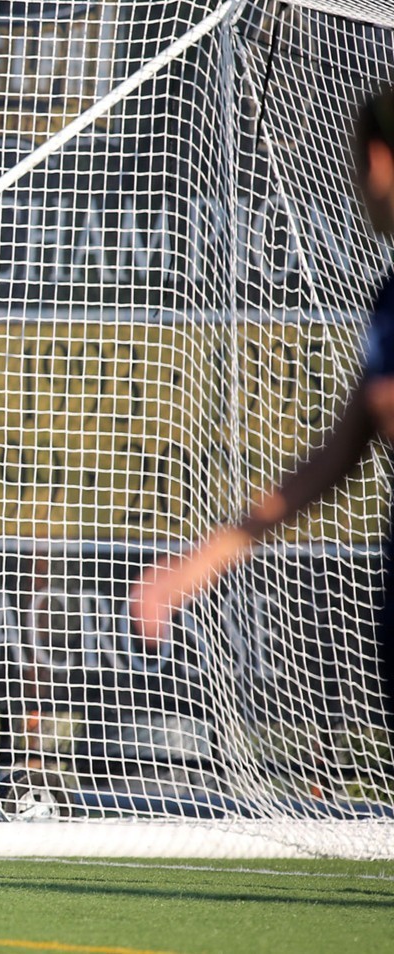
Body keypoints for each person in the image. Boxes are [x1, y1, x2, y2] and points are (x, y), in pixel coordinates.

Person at [130, 85, 394, 725]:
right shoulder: (390, 294)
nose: (358, 186)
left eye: (360, 163)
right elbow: (339, 453)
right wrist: (199, 564)